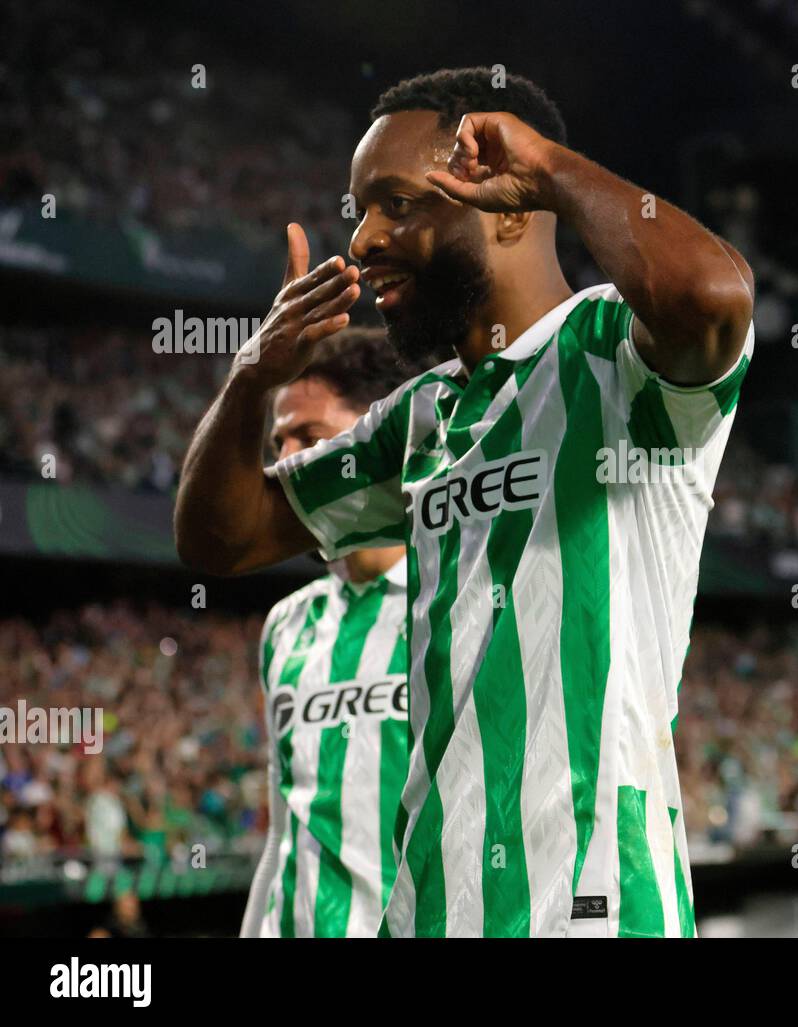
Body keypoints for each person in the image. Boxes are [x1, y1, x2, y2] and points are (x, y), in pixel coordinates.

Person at [175, 67, 755, 937]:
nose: (362, 240)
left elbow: (712, 301)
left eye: (397, 204)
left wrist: (555, 166)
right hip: (430, 909)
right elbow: (219, 539)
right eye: (358, 209)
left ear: (509, 206)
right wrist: (254, 379)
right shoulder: (417, 418)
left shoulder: (612, 360)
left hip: (594, 905)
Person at [240, 327, 410, 937]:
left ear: (378, 437)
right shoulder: (288, 623)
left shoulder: (453, 600)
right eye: (277, 439)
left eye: (308, 437)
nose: (283, 461)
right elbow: (283, 833)